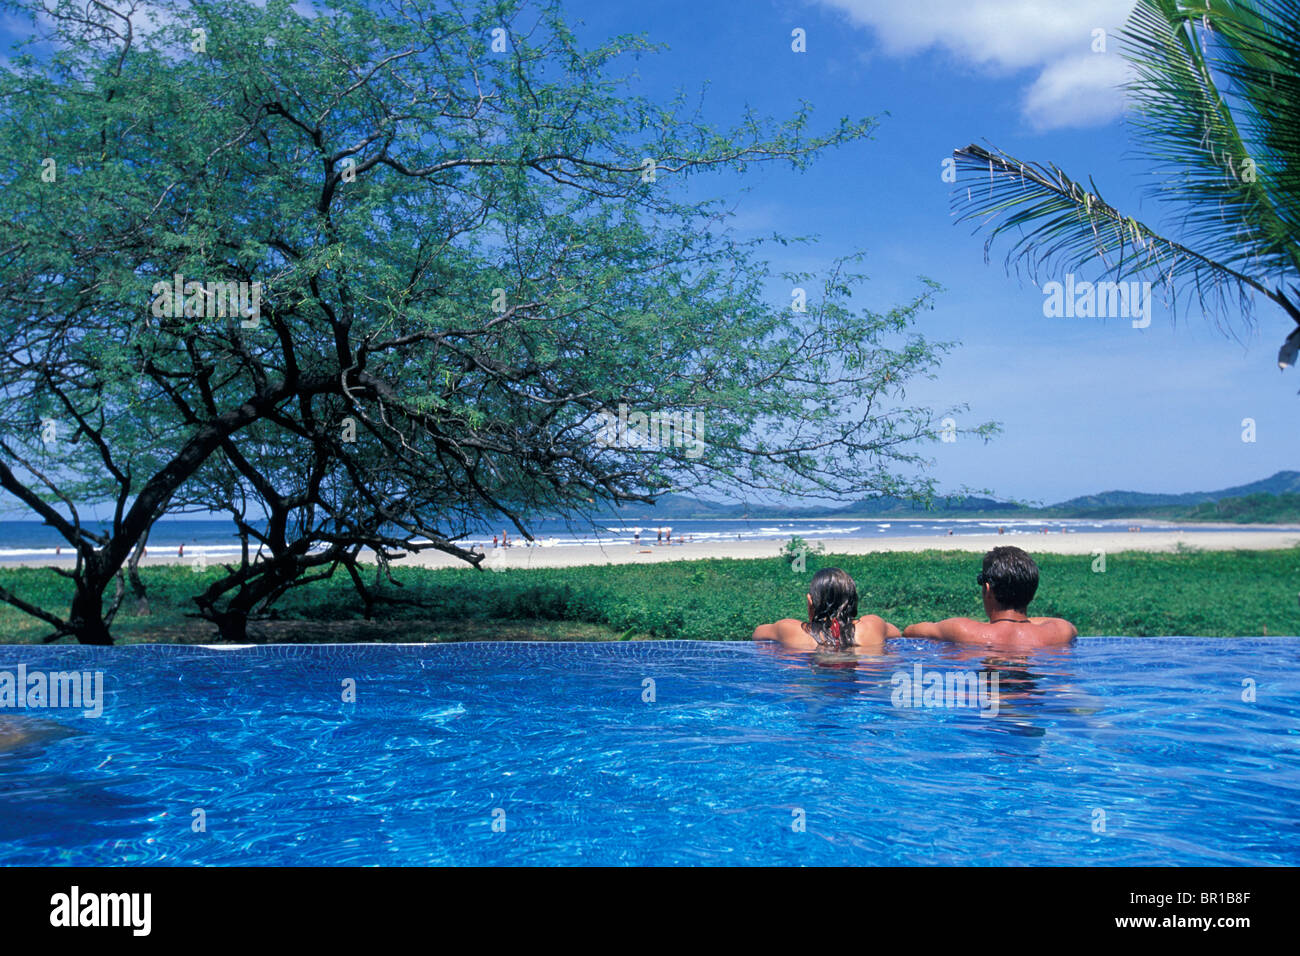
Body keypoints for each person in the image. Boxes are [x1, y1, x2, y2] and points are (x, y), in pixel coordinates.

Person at [904, 546, 1076, 650]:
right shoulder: (1060, 631)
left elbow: (909, 632)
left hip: (987, 694)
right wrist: (1017, 622)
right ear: (1032, 590)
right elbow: (1054, 623)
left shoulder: (961, 630)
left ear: (988, 589)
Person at [752, 567, 900, 652]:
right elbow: (897, 634)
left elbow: (757, 634)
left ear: (810, 601)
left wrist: (813, 618)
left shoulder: (789, 629)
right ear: (853, 600)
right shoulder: (873, 625)